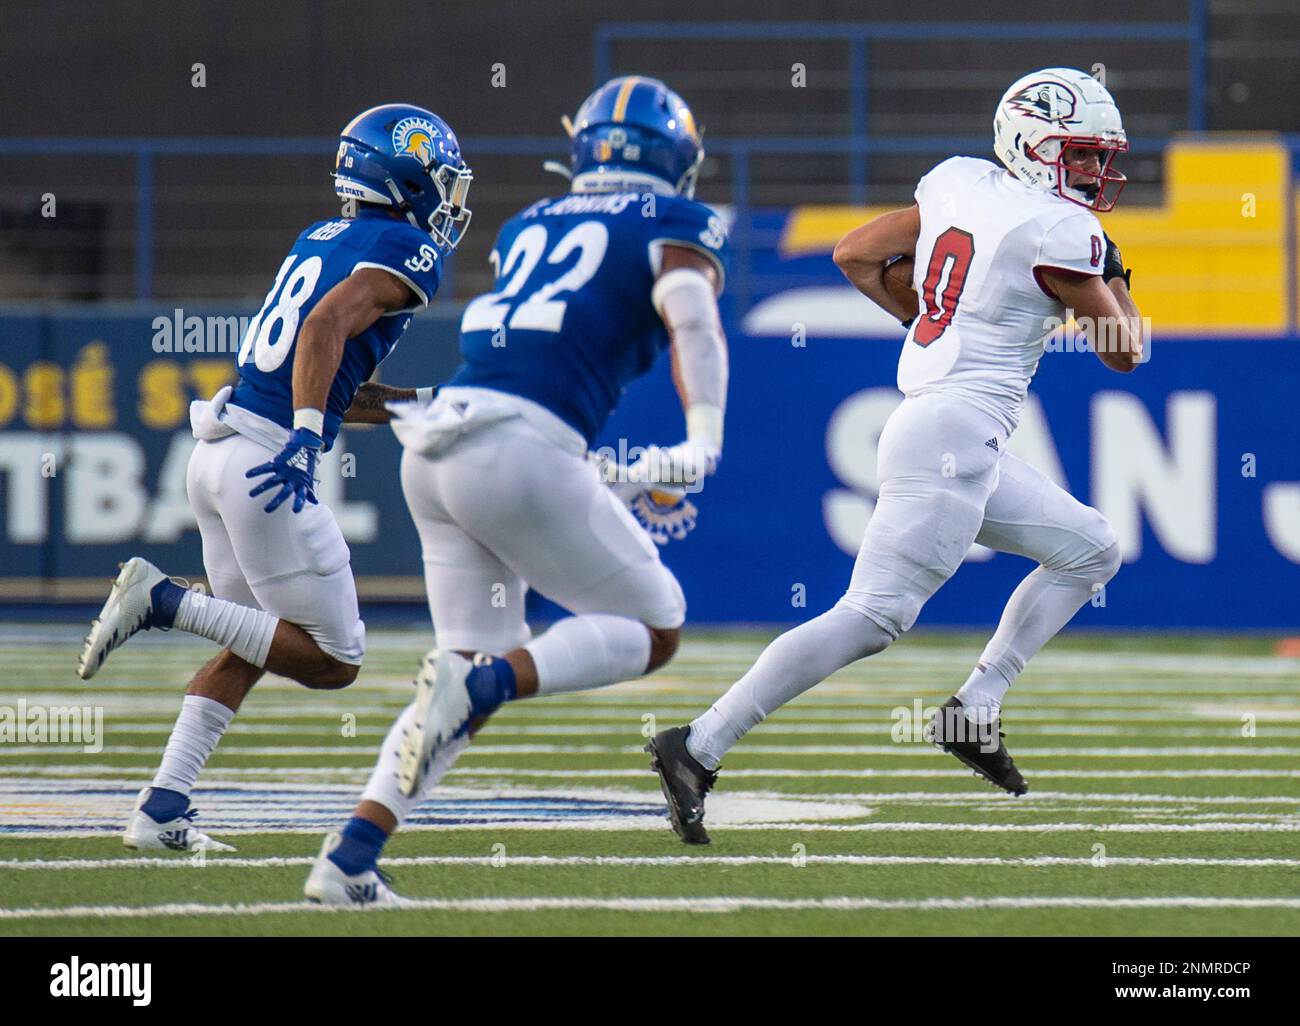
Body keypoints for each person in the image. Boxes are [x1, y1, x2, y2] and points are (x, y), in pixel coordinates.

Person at [647, 67, 1145, 844]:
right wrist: (1118, 275)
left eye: (1099, 158)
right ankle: (698, 743)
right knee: (873, 616)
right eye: (1081, 156)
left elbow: (854, 253)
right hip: (953, 434)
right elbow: (1124, 352)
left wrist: (929, 323)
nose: (1095, 173)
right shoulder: (1060, 233)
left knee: (1091, 549)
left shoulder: (961, 183)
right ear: (1033, 144)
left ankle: (975, 708)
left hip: (948, 430)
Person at [304, 76, 729, 905]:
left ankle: (351, 854)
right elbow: (693, 318)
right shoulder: (675, 222)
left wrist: (396, 403)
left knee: (463, 661)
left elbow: (514, 362)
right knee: (656, 623)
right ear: (672, 153)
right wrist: (704, 437)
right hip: (513, 444)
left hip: (439, 445)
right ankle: (488, 683)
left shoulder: (531, 222)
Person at [76, 103, 472, 853]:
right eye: (442, 179)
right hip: (265, 466)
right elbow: (321, 332)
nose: (449, 200)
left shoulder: (320, 237)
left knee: (255, 646)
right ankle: (165, 600)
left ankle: (163, 807)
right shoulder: (406, 248)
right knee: (334, 661)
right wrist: (305, 439)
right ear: (409, 174)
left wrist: (420, 405)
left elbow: (320, 374)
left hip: (219, 454)